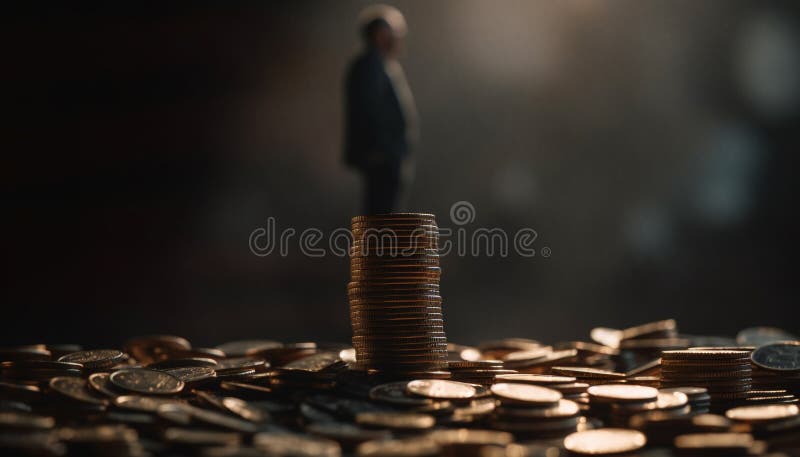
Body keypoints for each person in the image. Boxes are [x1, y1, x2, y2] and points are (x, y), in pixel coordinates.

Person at [343, 5, 418, 215]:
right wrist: (380, 151)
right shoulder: (371, 66)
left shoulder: (381, 65)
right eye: (394, 33)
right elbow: (369, 111)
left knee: (383, 217)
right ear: (379, 35)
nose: (398, 38)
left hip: (386, 156)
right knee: (380, 219)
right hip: (382, 158)